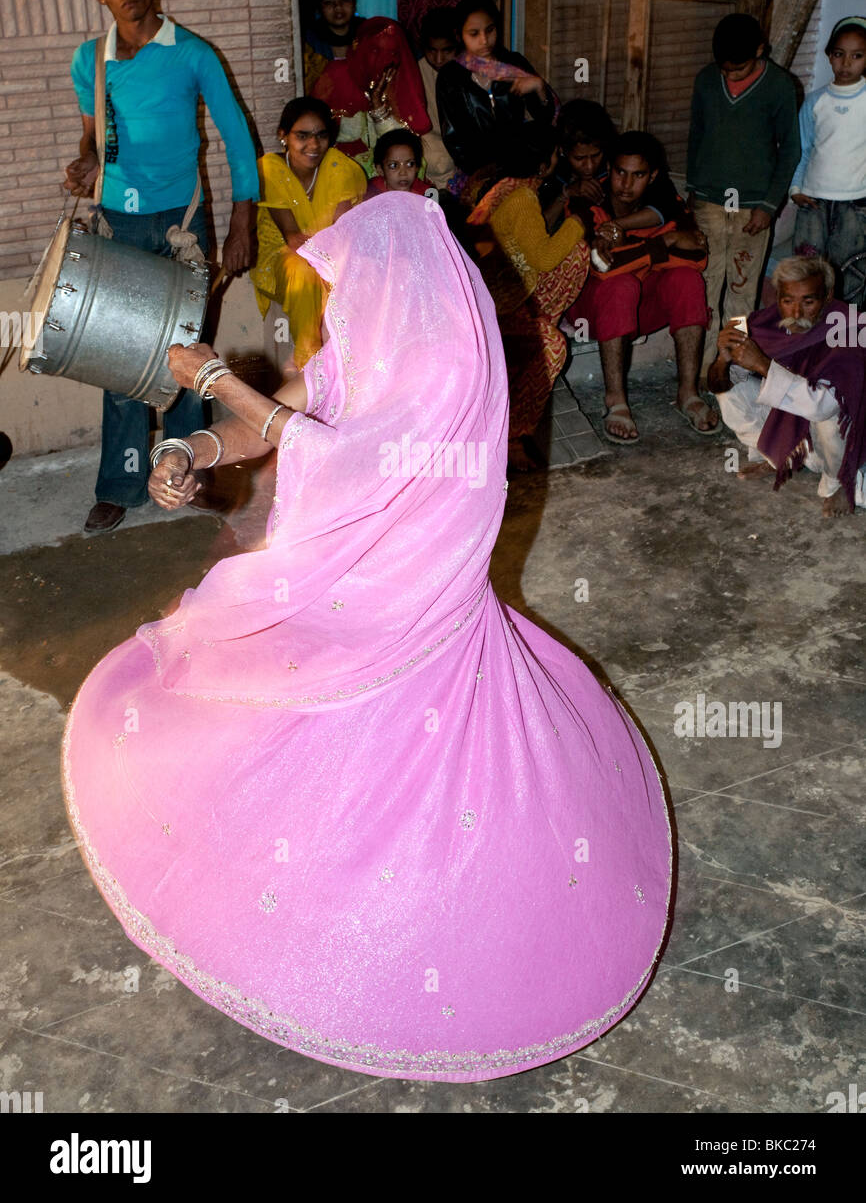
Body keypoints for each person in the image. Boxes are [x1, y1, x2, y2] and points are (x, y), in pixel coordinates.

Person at [62, 193, 672, 1083]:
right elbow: (280, 416)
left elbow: (347, 459)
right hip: (353, 583)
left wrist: (211, 377)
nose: (342, 300)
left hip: (413, 607)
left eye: (352, 280)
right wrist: (192, 451)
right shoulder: (372, 345)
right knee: (266, 696)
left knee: (399, 764)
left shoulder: (452, 366)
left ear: (399, 277)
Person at [64, 0, 259, 535]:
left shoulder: (194, 53)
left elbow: (239, 142)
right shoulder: (89, 60)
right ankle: (121, 485)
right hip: (118, 223)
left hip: (183, 223)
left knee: (188, 356)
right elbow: (93, 138)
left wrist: (242, 223)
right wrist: (87, 162)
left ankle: (189, 474)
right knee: (118, 355)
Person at [565, 132, 717, 444]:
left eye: (638, 175)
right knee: (620, 284)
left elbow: (697, 256)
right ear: (609, 169)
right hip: (590, 312)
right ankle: (616, 401)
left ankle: (688, 393)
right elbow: (602, 268)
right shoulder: (586, 201)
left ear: (653, 176)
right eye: (620, 172)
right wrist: (665, 243)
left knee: (687, 280)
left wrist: (636, 250)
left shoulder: (666, 201)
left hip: (640, 308)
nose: (626, 184)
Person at [466, 124, 589, 470]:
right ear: (542, 165)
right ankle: (512, 436)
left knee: (575, 253)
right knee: (553, 347)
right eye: (555, 155)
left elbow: (533, 237)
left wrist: (564, 200)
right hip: (489, 314)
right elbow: (545, 258)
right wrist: (579, 221)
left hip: (499, 297)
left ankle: (534, 333)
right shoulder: (521, 198)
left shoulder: (506, 187)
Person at [708, 254, 866, 517]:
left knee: (834, 409)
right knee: (730, 391)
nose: (796, 313)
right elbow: (716, 385)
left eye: (808, 301)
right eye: (788, 300)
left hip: (845, 441)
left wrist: (762, 365)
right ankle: (778, 456)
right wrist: (722, 359)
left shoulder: (850, 329)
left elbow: (822, 406)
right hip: (803, 436)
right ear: (778, 297)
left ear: (827, 297)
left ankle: (839, 482)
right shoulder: (765, 322)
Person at [687, 13, 801, 377]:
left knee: (740, 290)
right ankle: (701, 367)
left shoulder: (780, 86)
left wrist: (769, 205)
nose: (731, 76)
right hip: (709, 202)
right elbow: (696, 136)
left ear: (760, 51)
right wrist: (693, 189)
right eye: (725, 69)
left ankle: (728, 362)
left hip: (753, 208)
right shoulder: (706, 80)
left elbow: (790, 150)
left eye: (739, 68)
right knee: (705, 287)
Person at [248, 97, 366, 374]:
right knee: (302, 270)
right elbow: (293, 239)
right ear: (283, 136)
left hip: (330, 256)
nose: (313, 145)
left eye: (321, 135)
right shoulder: (270, 169)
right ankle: (309, 363)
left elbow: (341, 235)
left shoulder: (339, 168)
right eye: (302, 136)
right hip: (283, 259)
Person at [304, 0, 430, 174]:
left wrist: (378, 108)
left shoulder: (397, 77)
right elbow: (334, 134)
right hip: (345, 167)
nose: (382, 58)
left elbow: (402, 143)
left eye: (391, 52)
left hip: (392, 169)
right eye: (374, 51)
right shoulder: (336, 71)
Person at [436, 0, 556, 193]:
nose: (484, 40)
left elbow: (545, 119)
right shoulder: (451, 77)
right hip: (479, 173)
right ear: (459, 36)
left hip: (522, 164)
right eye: (474, 34)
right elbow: (454, 140)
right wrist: (491, 174)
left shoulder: (514, 64)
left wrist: (539, 87)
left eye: (490, 30)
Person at [790, 15, 866, 304]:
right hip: (813, 200)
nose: (846, 63)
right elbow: (803, 148)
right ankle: (805, 325)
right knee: (806, 268)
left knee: (850, 271)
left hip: (855, 202)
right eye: (839, 54)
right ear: (829, 55)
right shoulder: (815, 101)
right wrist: (796, 188)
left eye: (857, 56)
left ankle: (846, 327)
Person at [540, 99, 680, 239]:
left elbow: (668, 205)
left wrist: (612, 226)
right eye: (579, 158)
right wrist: (565, 194)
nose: (589, 166)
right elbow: (539, 230)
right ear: (562, 151)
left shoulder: (618, 160)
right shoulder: (550, 171)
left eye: (596, 155)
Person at [416, 7, 458, 191]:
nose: (439, 59)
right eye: (432, 51)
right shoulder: (416, 71)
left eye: (447, 51)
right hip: (432, 156)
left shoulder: (469, 70)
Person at [365, 128, 428, 196]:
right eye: (393, 166)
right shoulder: (369, 192)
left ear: (417, 167)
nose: (403, 173)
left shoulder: (425, 194)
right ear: (380, 169)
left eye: (410, 164)